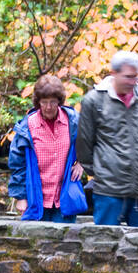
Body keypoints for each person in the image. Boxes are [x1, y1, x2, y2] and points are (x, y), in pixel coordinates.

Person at [75, 49, 138, 229]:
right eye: (128, 77)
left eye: (136, 77)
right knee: (105, 250)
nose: (133, 82)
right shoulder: (93, 101)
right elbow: (84, 144)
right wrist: (100, 173)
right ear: (114, 73)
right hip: (108, 191)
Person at [7, 75, 86, 222]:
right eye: (44, 102)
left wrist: (82, 162)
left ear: (59, 101)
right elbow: (17, 165)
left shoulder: (74, 121)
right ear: (38, 102)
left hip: (65, 199)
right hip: (35, 199)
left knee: (66, 243)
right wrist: (21, 197)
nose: (48, 107)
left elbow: (91, 141)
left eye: (53, 102)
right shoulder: (27, 127)